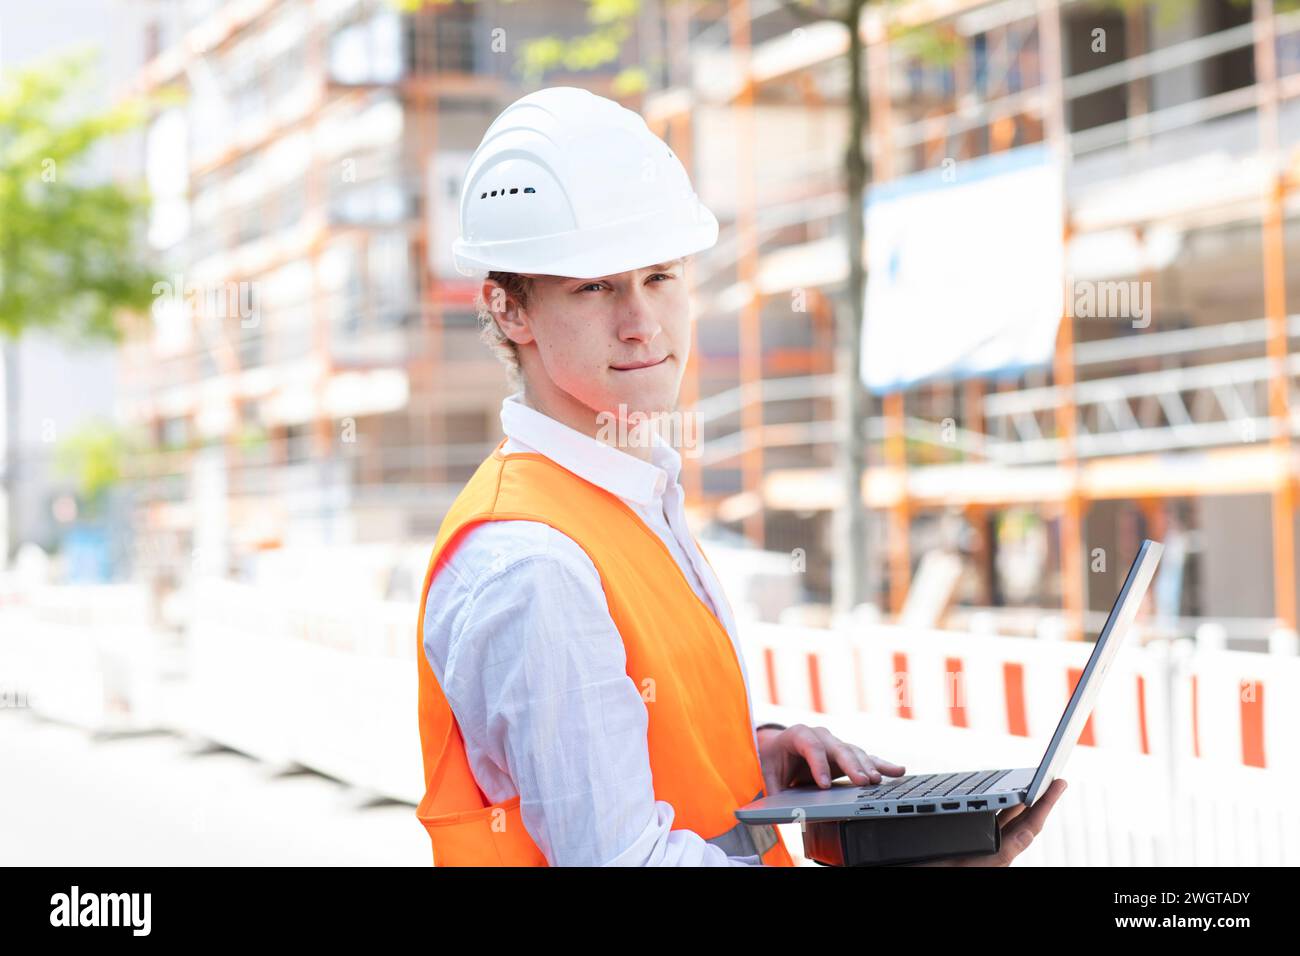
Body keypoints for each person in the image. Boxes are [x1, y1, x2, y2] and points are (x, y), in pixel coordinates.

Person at [414, 86, 1066, 866]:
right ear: (509, 309)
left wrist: (753, 760)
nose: (641, 322)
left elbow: (626, 776)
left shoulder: (624, 501)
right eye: (594, 287)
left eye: (660, 276)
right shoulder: (533, 563)